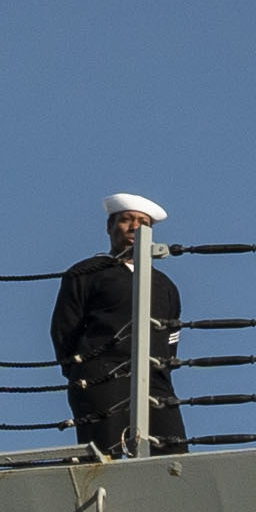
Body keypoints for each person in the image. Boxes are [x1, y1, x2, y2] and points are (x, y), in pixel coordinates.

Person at [50, 195, 188, 454]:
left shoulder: (165, 286)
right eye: (126, 220)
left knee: (172, 455)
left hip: (155, 380)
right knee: (104, 452)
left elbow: (171, 339)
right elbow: (64, 330)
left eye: (143, 223)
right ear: (110, 227)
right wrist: (83, 372)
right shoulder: (87, 273)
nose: (134, 228)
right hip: (103, 375)